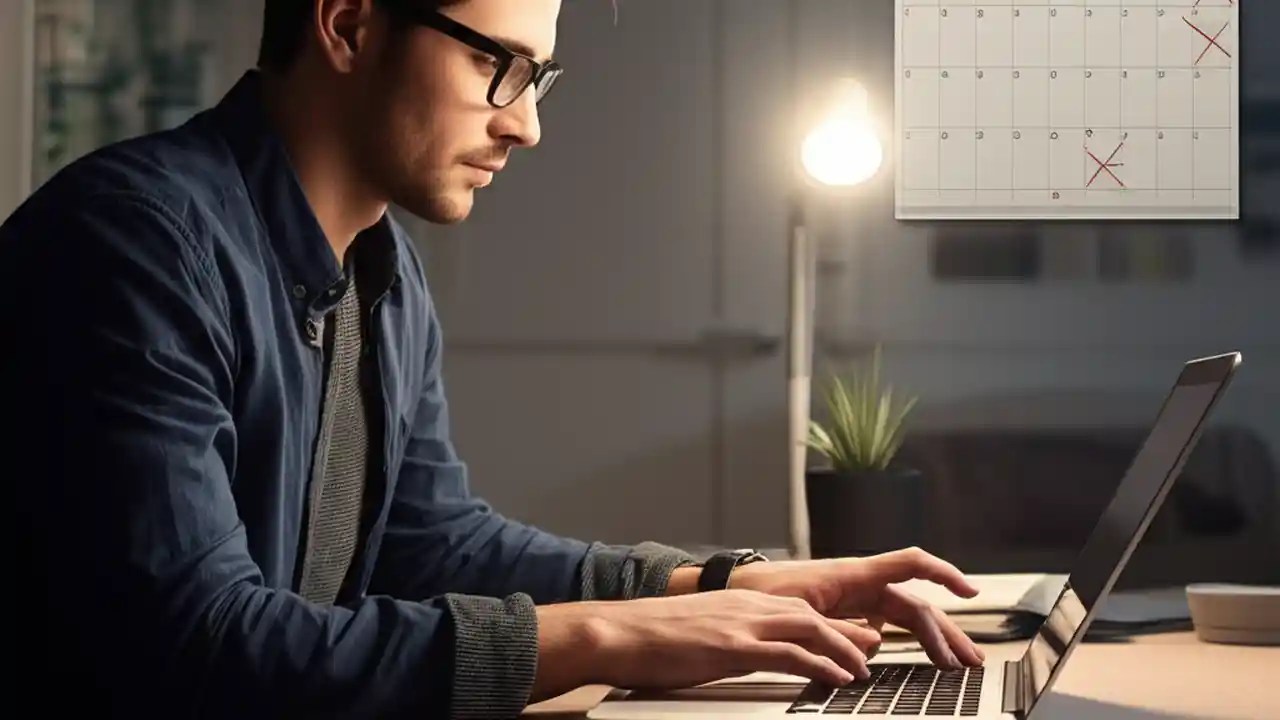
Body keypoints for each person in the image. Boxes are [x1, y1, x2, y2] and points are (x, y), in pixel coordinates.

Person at [1, 0, 985, 718]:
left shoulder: (383, 274)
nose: (526, 122)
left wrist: (716, 587)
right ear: (347, 25)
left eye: (536, 76)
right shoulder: (133, 245)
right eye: (495, 65)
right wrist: (607, 637)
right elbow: (197, 646)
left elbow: (433, 546)